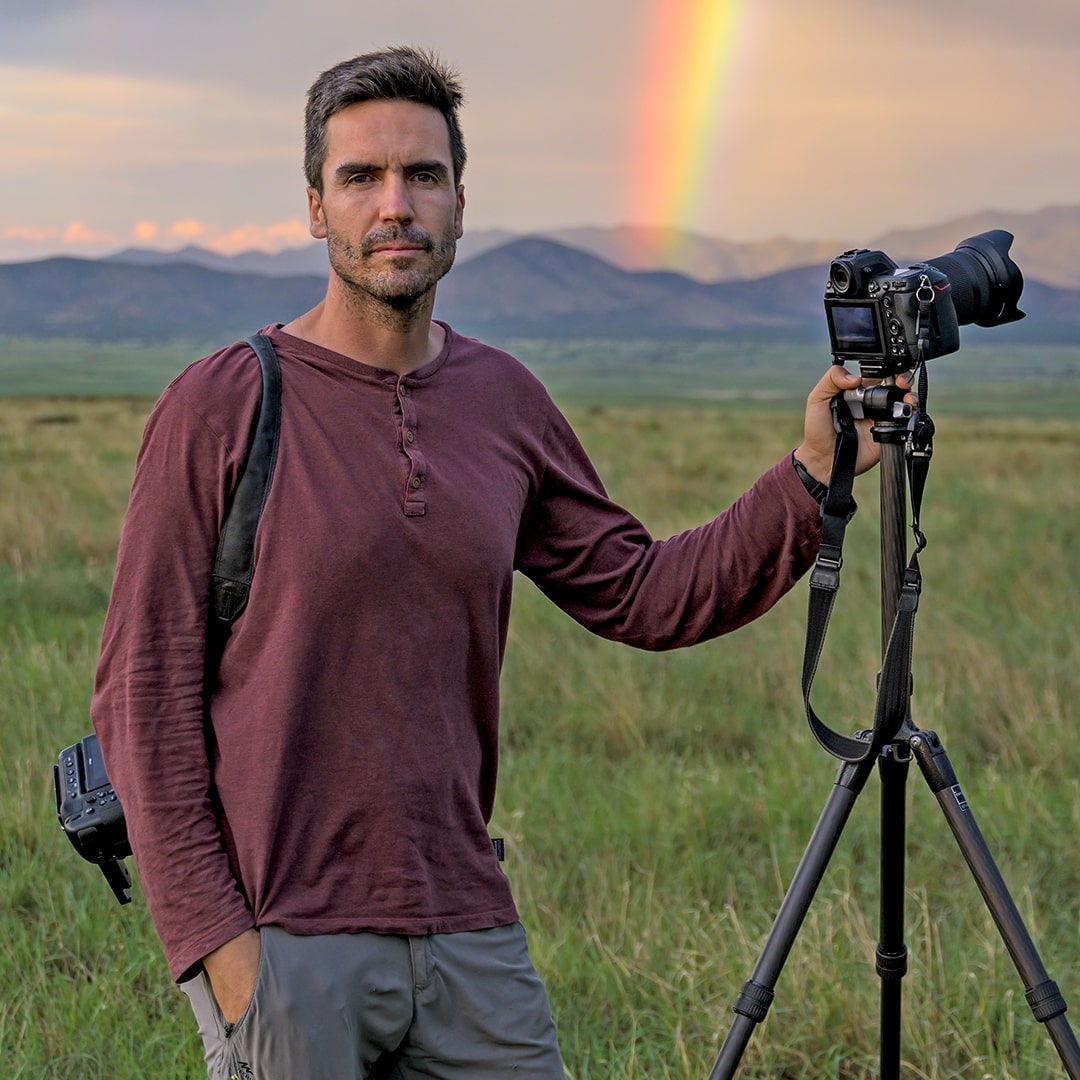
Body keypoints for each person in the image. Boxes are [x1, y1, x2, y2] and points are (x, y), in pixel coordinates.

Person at [91, 45, 894, 1080]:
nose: (395, 205)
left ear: (461, 205)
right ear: (315, 207)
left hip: (469, 930)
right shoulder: (221, 404)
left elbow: (645, 592)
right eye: (361, 177)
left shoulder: (503, 399)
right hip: (287, 941)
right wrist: (224, 956)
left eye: (423, 175)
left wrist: (810, 475)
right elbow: (142, 697)